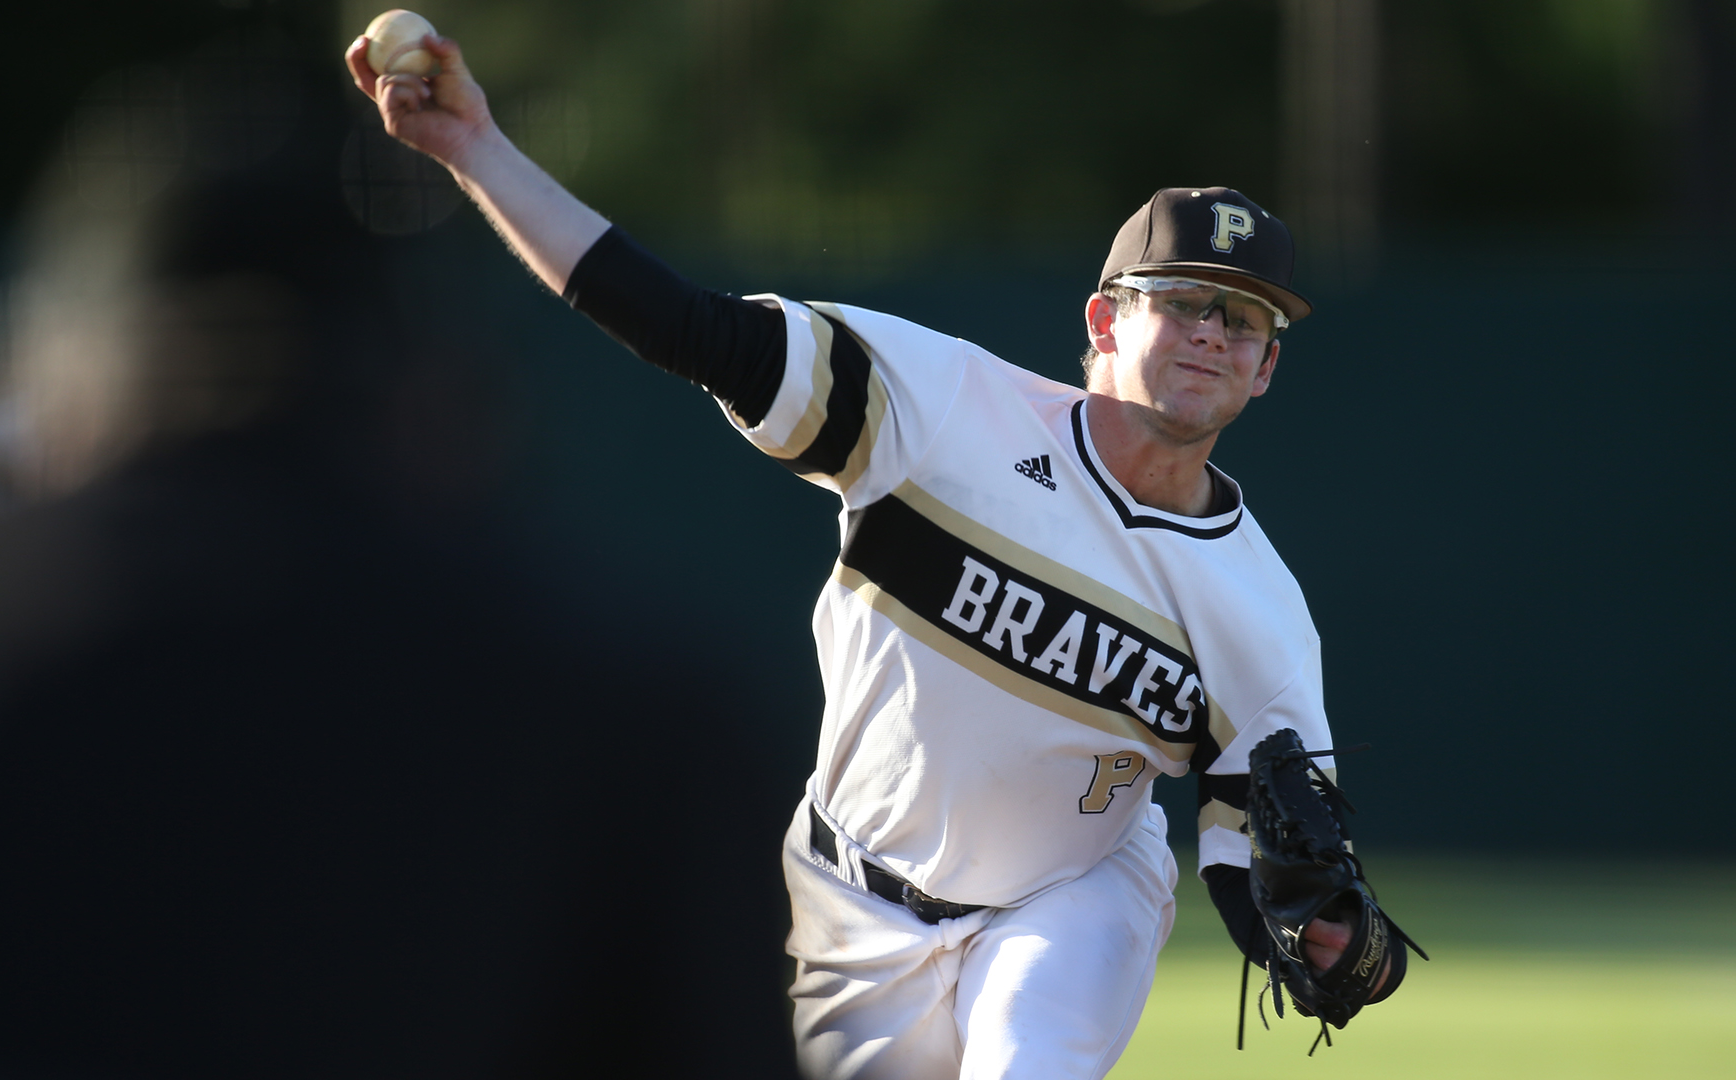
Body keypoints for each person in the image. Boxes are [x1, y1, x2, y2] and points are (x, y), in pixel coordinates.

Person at [348, 30, 1404, 1079]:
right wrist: (474, 145)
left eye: (1243, 318)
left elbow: (1268, 848)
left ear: (1266, 370)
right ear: (1104, 318)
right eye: (1180, 302)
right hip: (845, 903)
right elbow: (689, 327)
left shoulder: (1257, 610)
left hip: (1069, 900)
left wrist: (1337, 943)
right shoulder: (936, 409)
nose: (1212, 334)